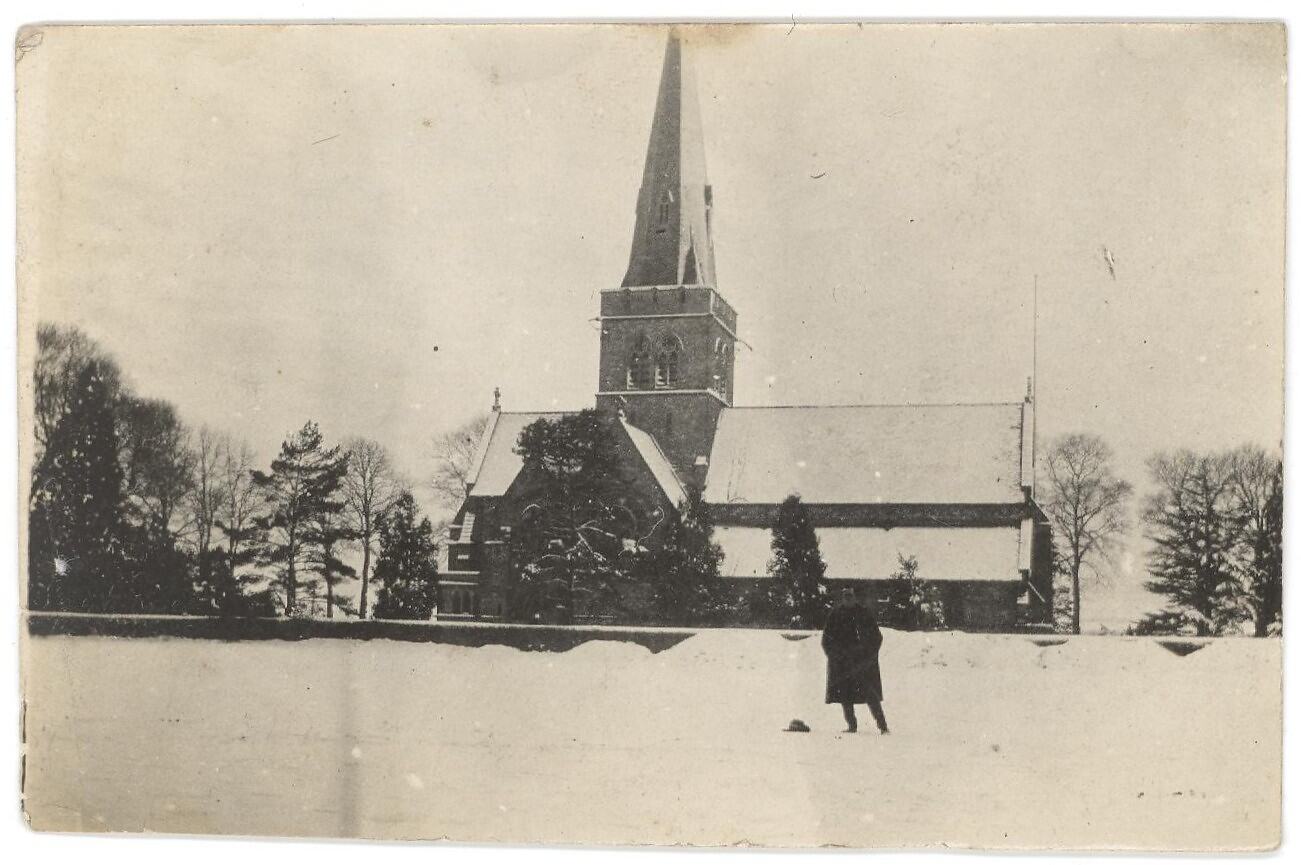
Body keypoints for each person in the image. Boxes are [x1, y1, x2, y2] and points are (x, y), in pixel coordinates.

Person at [821, 587, 889, 734]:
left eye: (850, 596)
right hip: (842, 664)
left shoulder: (864, 614)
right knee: (845, 695)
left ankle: (883, 726)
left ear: (855, 597)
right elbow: (827, 639)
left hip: (862, 664)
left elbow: (876, 638)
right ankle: (852, 725)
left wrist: (868, 656)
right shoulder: (835, 615)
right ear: (842, 598)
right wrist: (835, 657)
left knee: (871, 695)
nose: (848, 599)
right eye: (845, 596)